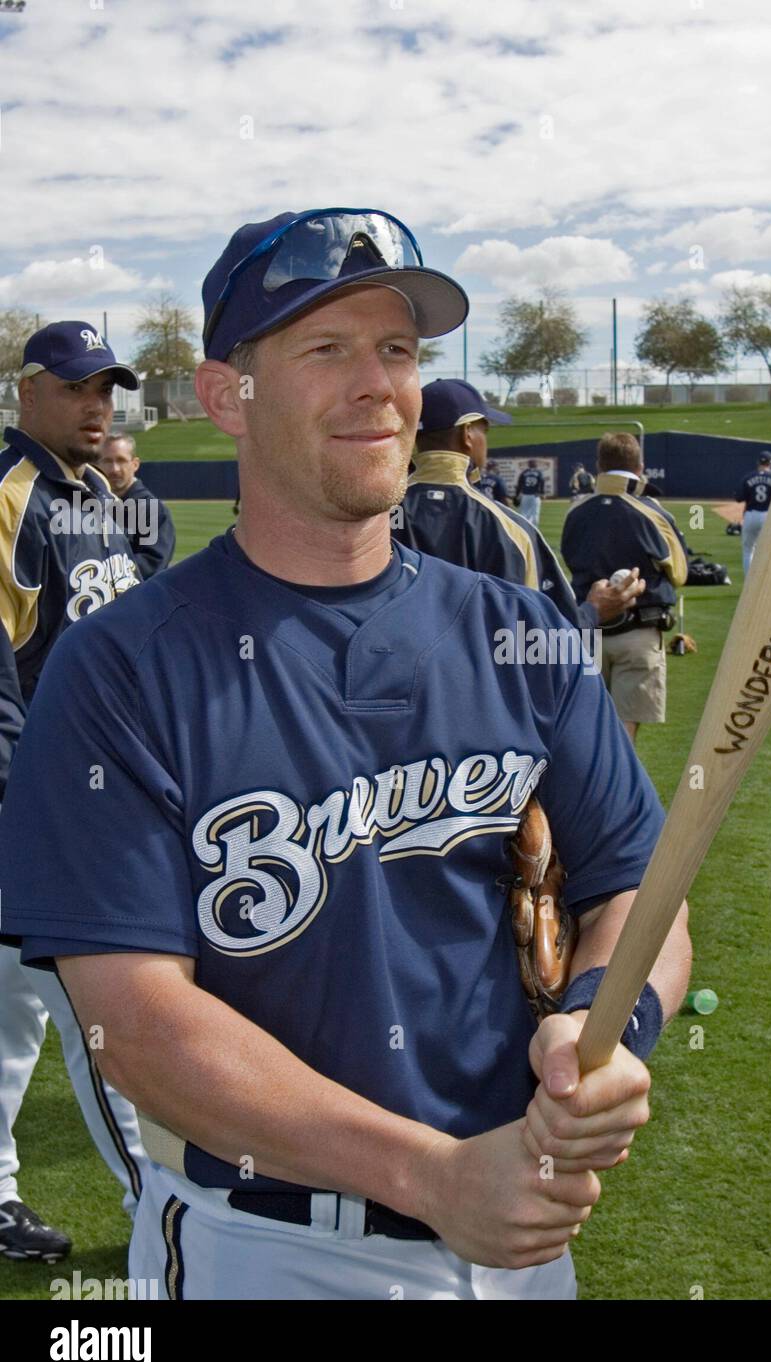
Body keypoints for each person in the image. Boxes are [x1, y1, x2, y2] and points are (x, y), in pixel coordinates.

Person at [0, 209, 691, 1301]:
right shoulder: (120, 667)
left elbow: (638, 887)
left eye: (400, 350)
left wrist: (607, 1022)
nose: (379, 385)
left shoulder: (519, 634)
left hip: (522, 1229)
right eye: (327, 349)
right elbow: (131, 1022)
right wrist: (431, 1173)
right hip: (269, 1246)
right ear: (229, 394)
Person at [0, 322, 148, 1262]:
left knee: (9, 1017)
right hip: (46, 817)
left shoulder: (94, 495)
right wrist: (39, 817)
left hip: (106, 803)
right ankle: (168, 1216)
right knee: (112, 1023)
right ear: (26, 393)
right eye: (77, 387)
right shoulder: (10, 501)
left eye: (109, 389)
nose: (98, 406)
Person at [394, 379, 640, 630]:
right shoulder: (510, 529)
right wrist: (592, 612)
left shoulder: (376, 515)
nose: (485, 440)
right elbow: (544, 636)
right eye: (484, 430)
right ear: (467, 433)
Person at [561, 432, 688, 744]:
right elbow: (680, 573)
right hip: (638, 632)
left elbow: (568, 558)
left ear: (598, 466)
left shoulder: (576, 510)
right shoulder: (652, 511)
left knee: (586, 727)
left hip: (588, 631)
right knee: (623, 735)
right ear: (640, 467)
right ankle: (615, 792)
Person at [96, 433, 177, 578]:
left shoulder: (152, 510)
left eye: (121, 460)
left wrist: (101, 574)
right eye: (107, 461)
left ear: (135, 464)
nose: (115, 469)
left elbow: (152, 564)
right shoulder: (91, 506)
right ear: (97, 465)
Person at [737, 450, 771, 576]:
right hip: (768, 515)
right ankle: (767, 580)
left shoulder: (748, 477)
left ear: (758, 462)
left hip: (751, 515)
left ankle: (748, 585)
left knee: (748, 550)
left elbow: (739, 497)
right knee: (769, 549)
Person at [515, 460, 547, 526]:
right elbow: (542, 482)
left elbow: (519, 484)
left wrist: (517, 495)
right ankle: (534, 531)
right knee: (535, 514)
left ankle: (523, 529)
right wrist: (542, 492)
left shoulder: (524, 473)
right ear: (535, 465)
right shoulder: (539, 472)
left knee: (523, 513)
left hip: (525, 495)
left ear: (529, 465)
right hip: (535, 496)